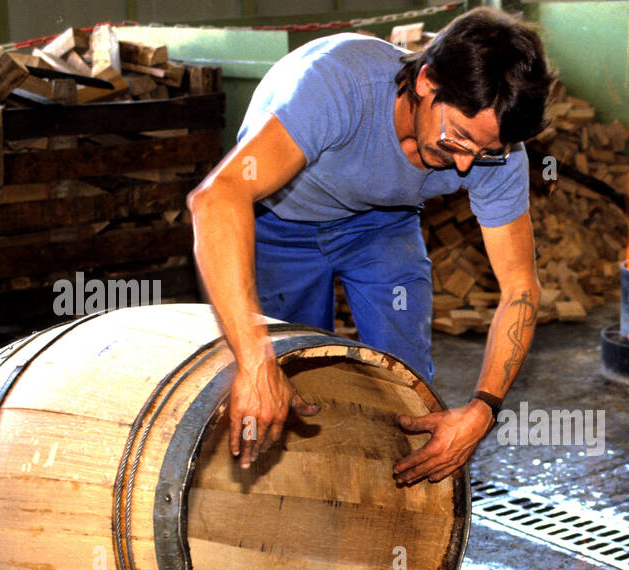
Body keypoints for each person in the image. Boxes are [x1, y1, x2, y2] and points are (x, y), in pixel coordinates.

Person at [186, 8, 554, 483]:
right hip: (281, 223)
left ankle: (397, 522)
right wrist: (255, 362)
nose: (465, 167)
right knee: (293, 378)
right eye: (458, 138)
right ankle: (296, 509)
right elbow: (216, 198)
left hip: (382, 224)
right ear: (426, 82)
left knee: (408, 388)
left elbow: (520, 286)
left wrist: (484, 408)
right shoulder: (337, 87)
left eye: (483, 153)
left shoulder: (494, 150)